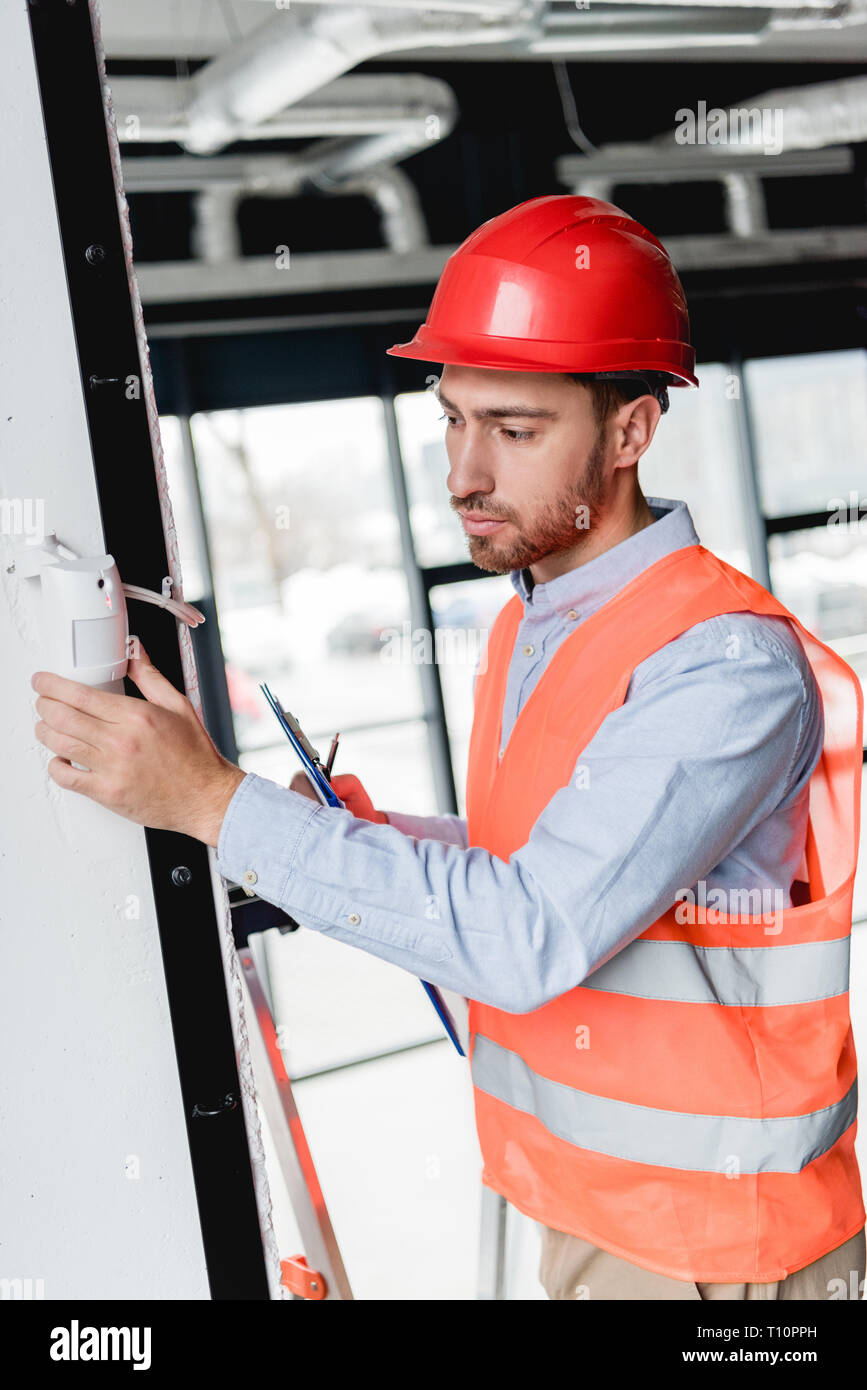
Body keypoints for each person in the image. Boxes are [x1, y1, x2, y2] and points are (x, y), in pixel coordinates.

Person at [31, 195, 865, 1300]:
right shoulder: (538, 615)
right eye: (453, 419)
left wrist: (220, 806)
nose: (465, 474)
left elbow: (530, 930)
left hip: (727, 1255)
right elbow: (573, 861)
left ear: (630, 430)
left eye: (513, 431)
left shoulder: (720, 666)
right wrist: (362, 836)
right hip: (589, 1215)